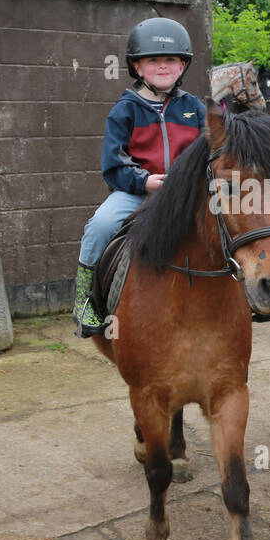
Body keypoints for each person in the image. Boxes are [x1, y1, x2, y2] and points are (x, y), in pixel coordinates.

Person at [72, 18, 206, 337]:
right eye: (153, 60)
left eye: (171, 59)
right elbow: (113, 163)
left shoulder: (195, 109)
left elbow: (210, 152)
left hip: (186, 194)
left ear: (183, 64)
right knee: (100, 225)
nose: (163, 66)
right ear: (137, 66)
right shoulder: (125, 110)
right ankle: (83, 299)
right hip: (137, 192)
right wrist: (144, 181)